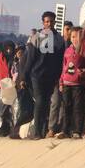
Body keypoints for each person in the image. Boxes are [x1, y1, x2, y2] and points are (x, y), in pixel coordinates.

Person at [26, 11, 66, 139]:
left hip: (51, 77)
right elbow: (31, 59)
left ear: (55, 22)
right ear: (43, 23)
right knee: (40, 101)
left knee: (47, 104)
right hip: (37, 76)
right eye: (47, 21)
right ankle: (37, 132)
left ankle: (43, 130)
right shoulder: (37, 37)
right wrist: (24, 76)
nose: (49, 24)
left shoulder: (59, 39)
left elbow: (60, 60)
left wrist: (59, 77)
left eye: (51, 21)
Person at [60, 28, 85, 138]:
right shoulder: (67, 50)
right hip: (67, 82)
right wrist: (61, 81)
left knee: (78, 107)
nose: (75, 39)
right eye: (72, 37)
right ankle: (65, 130)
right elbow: (64, 66)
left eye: (77, 36)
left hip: (78, 83)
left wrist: (84, 71)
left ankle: (77, 130)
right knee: (66, 107)